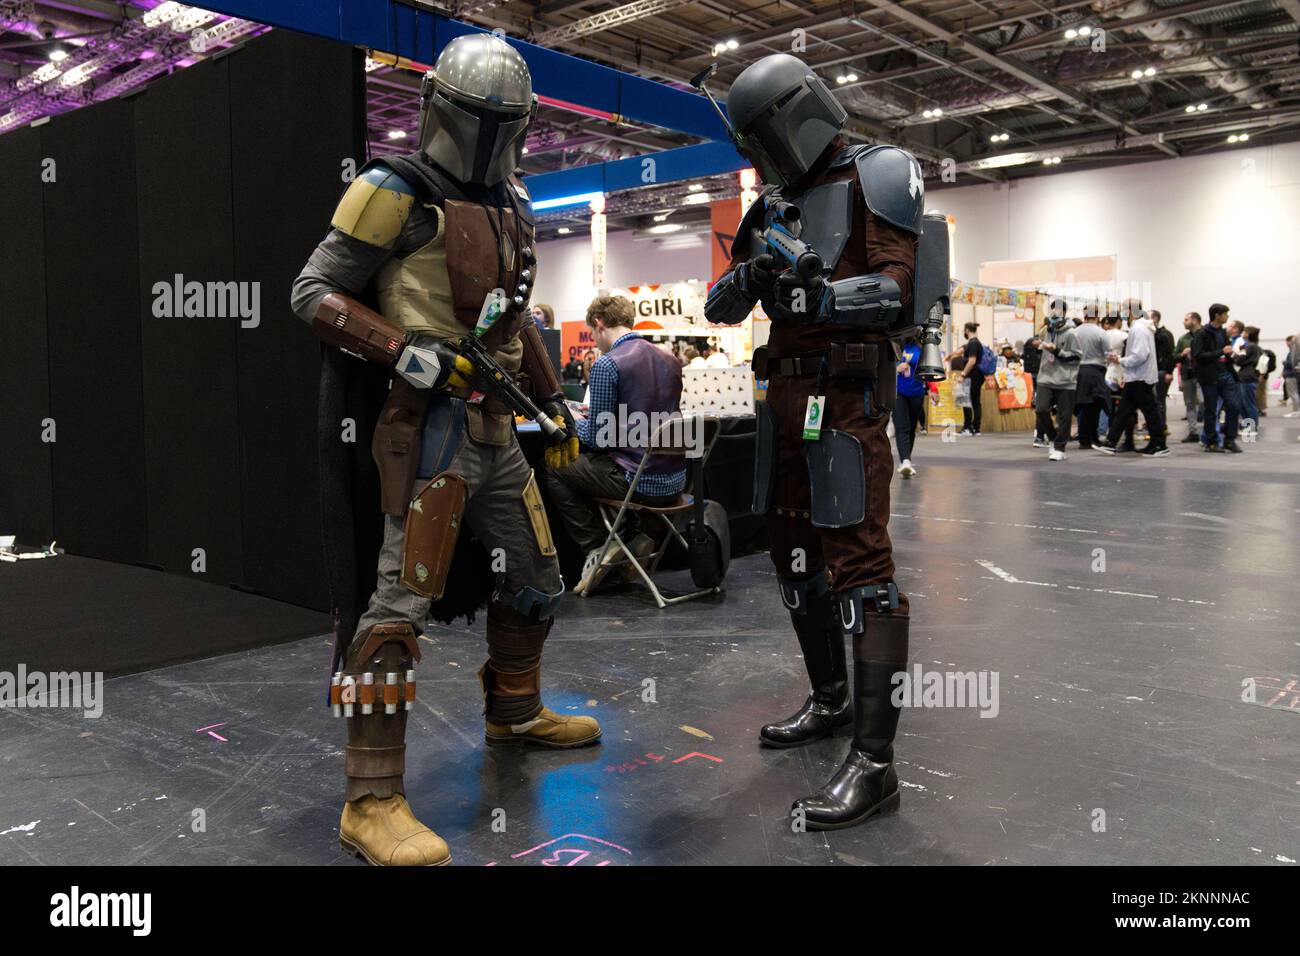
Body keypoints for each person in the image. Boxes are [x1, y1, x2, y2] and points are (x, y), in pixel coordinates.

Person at [289, 34, 599, 867]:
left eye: (507, 124)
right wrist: (401, 350)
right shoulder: (390, 189)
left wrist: (556, 403)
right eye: (479, 121)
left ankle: (515, 708)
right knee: (398, 611)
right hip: (422, 429)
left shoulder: (515, 201)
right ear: (439, 111)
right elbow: (312, 291)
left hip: (499, 428)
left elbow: (518, 321)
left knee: (536, 579)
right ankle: (372, 798)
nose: (492, 140)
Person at [704, 52, 940, 830]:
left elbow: (904, 288)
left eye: (764, 136)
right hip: (785, 399)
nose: (762, 155)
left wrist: (823, 291)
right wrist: (747, 281)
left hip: (846, 394)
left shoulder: (880, 170)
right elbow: (721, 306)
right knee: (792, 552)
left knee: (861, 567)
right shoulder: (772, 201)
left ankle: (877, 765)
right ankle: (832, 698)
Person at [545, 295, 686, 593]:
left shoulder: (608, 364)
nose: (595, 342)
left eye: (594, 335)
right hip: (675, 483)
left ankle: (599, 546)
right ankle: (630, 536)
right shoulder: (671, 360)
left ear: (598, 324)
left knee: (554, 466)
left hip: (638, 483)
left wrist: (573, 422)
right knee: (603, 465)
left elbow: (598, 439)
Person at [1095, 302, 1169, 457]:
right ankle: (1111, 442)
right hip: (1137, 376)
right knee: (1125, 410)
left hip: (1139, 377)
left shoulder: (1139, 329)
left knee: (1149, 412)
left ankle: (1159, 444)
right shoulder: (1143, 328)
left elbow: (1140, 355)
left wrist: (1121, 361)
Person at [1192, 302, 1242, 453]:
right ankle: (1212, 442)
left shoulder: (1222, 333)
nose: (1227, 316)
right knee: (1211, 410)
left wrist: (1230, 357)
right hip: (1209, 377)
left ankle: (1229, 440)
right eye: (1225, 314)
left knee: (1234, 406)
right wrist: (1220, 351)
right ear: (1217, 315)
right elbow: (1198, 356)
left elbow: (1225, 353)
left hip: (1225, 375)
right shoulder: (1202, 334)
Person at [1034, 299, 1080, 461]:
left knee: (1064, 416)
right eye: (1052, 309)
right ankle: (1053, 438)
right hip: (1045, 378)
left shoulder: (1072, 333)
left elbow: (1076, 357)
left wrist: (1058, 351)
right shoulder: (1046, 331)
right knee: (1040, 409)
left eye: (1058, 310)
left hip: (1066, 380)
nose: (1054, 313)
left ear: (1065, 313)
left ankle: (1060, 448)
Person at [892, 336, 932, 477]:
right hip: (898, 392)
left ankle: (906, 459)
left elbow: (928, 369)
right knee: (902, 426)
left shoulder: (920, 347)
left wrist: (933, 389)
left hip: (916, 392)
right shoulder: (895, 344)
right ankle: (906, 461)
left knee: (911, 427)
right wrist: (896, 369)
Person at [1073, 305, 1111, 450]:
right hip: (1096, 371)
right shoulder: (1101, 332)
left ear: (1084, 314)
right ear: (1097, 315)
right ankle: (1091, 438)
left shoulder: (1075, 332)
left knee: (1082, 404)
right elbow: (1108, 354)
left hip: (1078, 370)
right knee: (1095, 404)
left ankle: (1085, 438)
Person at [1175, 312, 1204, 442]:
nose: (1183, 322)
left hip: (1203, 375)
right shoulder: (1183, 339)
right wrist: (1182, 354)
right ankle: (1193, 432)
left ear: (1195, 320)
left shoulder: (1206, 335)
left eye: (1186, 319)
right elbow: (1174, 356)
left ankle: (1209, 429)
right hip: (1187, 374)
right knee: (1190, 404)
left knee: (1204, 401)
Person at [1151, 309, 1175, 441]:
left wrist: (1169, 372)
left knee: (1159, 401)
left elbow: (1170, 354)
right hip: (1152, 372)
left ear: (1155, 318)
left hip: (1161, 372)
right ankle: (1158, 427)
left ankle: (1160, 428)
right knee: (1155, 402)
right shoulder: (1151, 333)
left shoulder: (1165, 334)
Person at [1233, 325, 1263, 432]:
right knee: (1245, 403)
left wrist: (1235, 355)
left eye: (1245, 332)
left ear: (1249, 334)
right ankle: (1248, 425)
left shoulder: (1249, 347)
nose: (1242, 334)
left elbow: (1238, 360)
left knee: (1248, 404)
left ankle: (1251, 427)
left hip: (1247, 376)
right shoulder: (1256, 347)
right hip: (1250, 376)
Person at [1283, 335, 1298, 417]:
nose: (1287, 343)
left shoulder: (1293, 351)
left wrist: (1284, 362)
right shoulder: (1293, 351)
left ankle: (1296, 411)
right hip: (1293, 374)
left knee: (1293, 393)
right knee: (1295, 393)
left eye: (1288, 341)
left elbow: (1291, 363)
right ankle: (1296, 410)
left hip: (1291, 375)